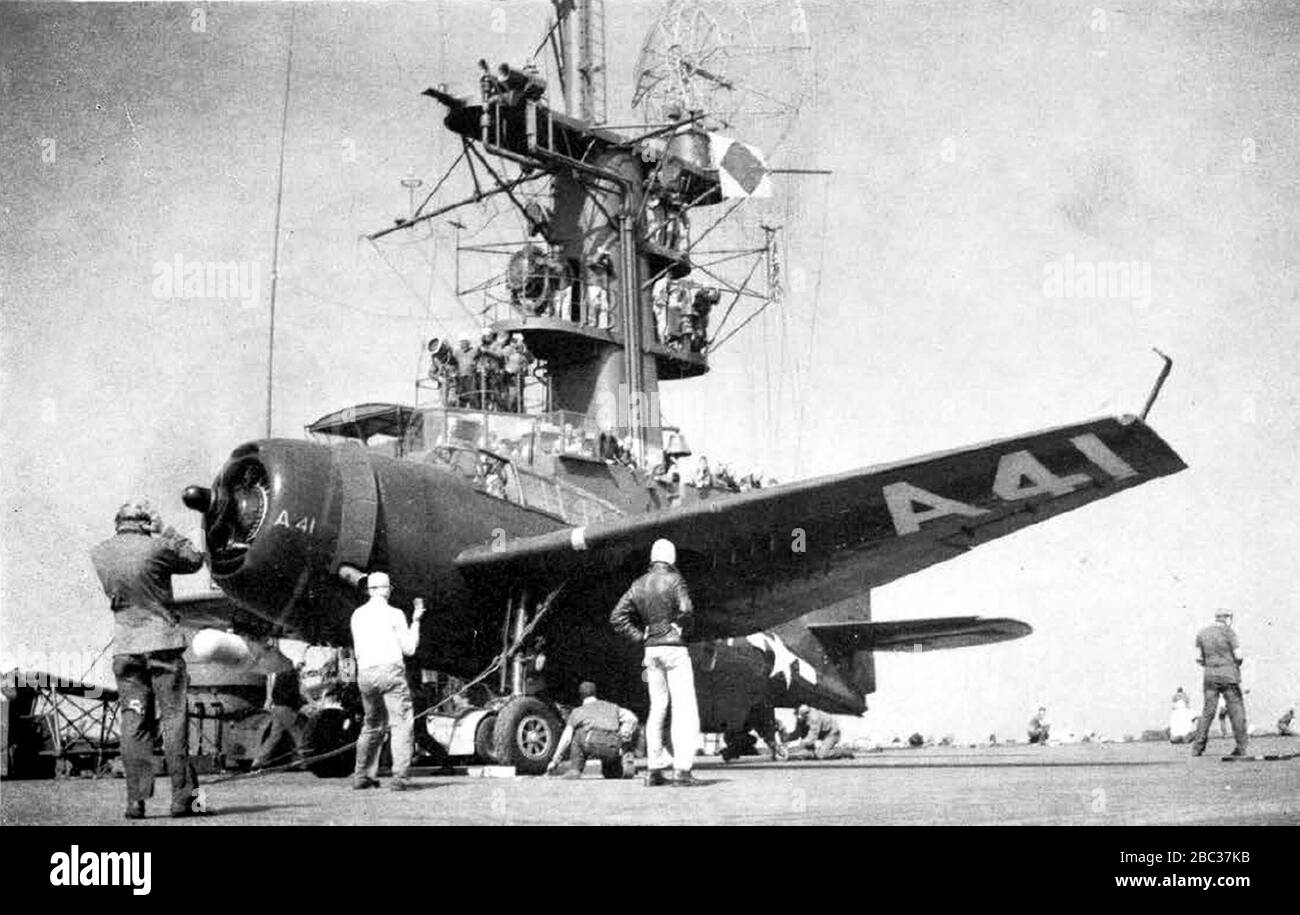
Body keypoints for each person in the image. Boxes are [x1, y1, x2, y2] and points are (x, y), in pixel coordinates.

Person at [90, 500, 207, 819]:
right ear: (143, 523)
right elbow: (195, 559)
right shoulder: (157, 548)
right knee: (173, 718)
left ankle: (135, 801)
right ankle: (183, 799)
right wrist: (164, 527)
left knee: (133, 722)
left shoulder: (100, 552)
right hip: (162, 646)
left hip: (126, 648)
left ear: (118, 523)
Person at [609, 539, 700, 787]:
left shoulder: (638, 584)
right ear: (671, 558)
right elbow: (687, 609)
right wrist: (680, 628)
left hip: (651, 650)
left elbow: (617, 617)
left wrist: (641, 636)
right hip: (674, 648)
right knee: (684, 709)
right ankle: (682, 770)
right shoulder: (675, 580)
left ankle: (654, 770)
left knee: (657, 707)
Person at [350, 571, 425, 790]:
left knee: (372, 725)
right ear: (385, 590)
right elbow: (410, 648)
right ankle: (399, 777)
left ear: (369, 590)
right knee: (401, 723)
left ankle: (361, 775)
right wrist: (417, 620)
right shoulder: (395, 614)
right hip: (390, 671)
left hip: (365, 673)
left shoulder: (357, 615)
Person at [546, 681, 639, 779]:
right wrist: (623, 734)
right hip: (613, 746)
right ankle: (615, 770)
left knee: (577, 734)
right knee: (612, 741)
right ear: (595, 693)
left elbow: (566, 738)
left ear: (581, 696)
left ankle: (575, 770)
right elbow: (632, 719)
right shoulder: (612, 706)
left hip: (591, 743)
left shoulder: (577, 711)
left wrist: (555, 761)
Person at [1191, 609, 1247, 757]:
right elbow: (1239, 655)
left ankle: (1197, 748)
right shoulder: (1229, 632)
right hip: (1229, 675)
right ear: (1227, 618)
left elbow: (1199, 658)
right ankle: (1241, 747)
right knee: (1236, 711)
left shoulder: (1202, 633)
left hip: (1209, 676)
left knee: (1208, 711)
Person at [251, 663, 306, 770]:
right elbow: (293, 694)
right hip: (287, 708)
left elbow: (275, 693)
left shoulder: (279, 674)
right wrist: (299, 704)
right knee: (298, 733)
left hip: (277, 707)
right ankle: (303, 761)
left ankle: (257, 761)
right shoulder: (291, 675)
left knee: (273, 737)